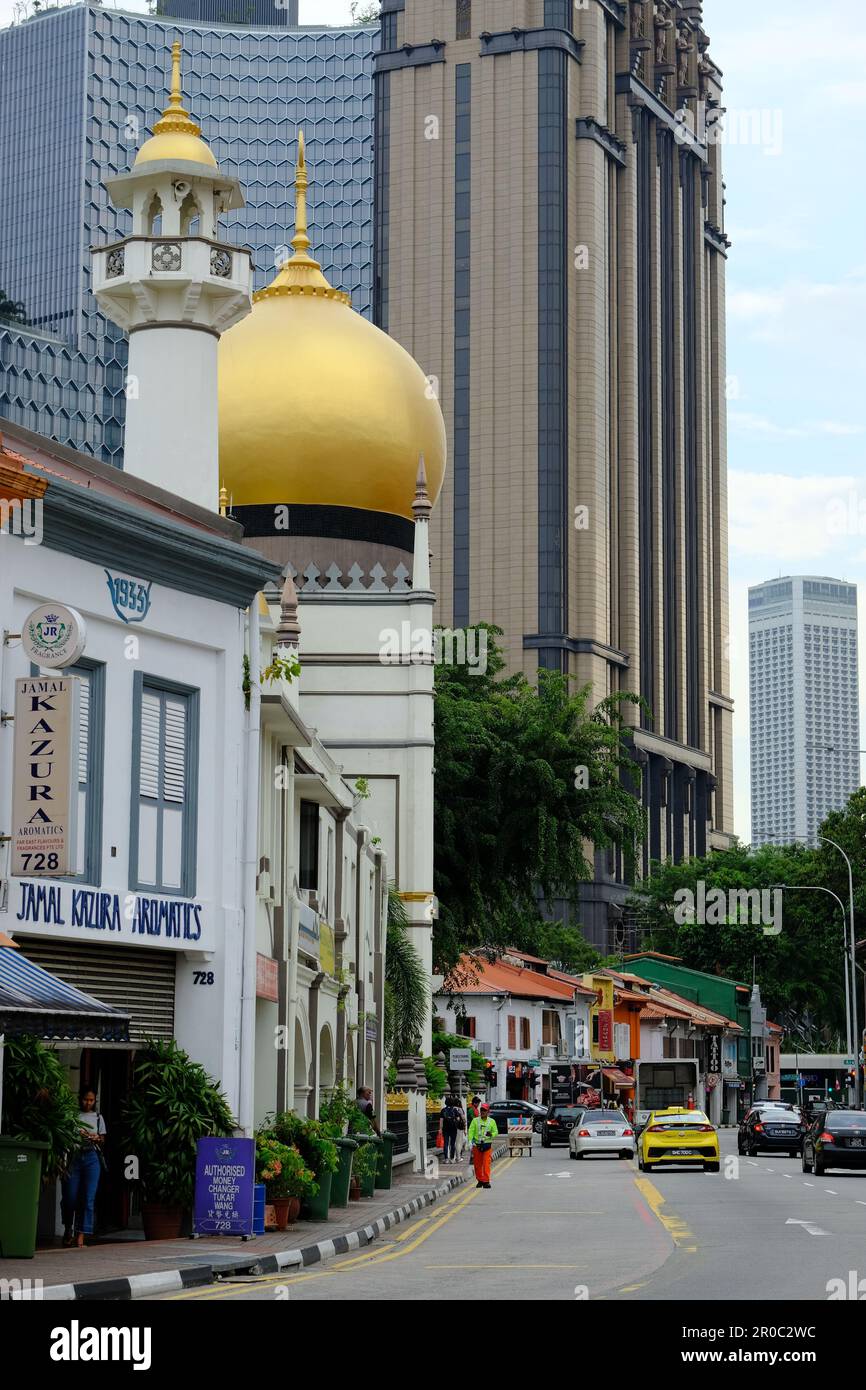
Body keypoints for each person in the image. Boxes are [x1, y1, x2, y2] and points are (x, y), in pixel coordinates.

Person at [61, 1087, 106, 1248]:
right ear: (80, 1098)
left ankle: (81, 1236)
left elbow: (103, 1140)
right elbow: (64, 1136)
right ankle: (68, 1228)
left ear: (95, 1101)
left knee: (88, 1198)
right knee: (70, 1197)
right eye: (85, 1099)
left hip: (91, 1158)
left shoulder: (99, 1118)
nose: (88, 1103)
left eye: (91, 1100)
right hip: (74, 1157)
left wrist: (96, 1138)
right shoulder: (72, 1116)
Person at [466, 1101, 498, 1189]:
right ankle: (480, 1180)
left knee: (486, 1164)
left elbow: (496, 1131)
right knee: (477, 1164)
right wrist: (469, 1141)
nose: (483, 1112)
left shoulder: (492, 1121)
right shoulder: (475, 1121)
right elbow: (471, 1131)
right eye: (482, 1110)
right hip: (477, 1145)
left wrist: (491, 1134)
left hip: (487, 1145)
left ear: (488, 1112)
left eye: (484, 1110)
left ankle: (486, 1181)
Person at [438, 1094, 462, 1163]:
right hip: (453, 1129)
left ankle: (446, 1159)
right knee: (452, 1143)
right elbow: (458, 1119)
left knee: (446, 1143)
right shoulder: (455, 1110)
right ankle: (452, 1159)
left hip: (445, 1129)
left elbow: (441, 1120)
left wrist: (440, 1129)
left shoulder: (443, 1110)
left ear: (446, 1102)